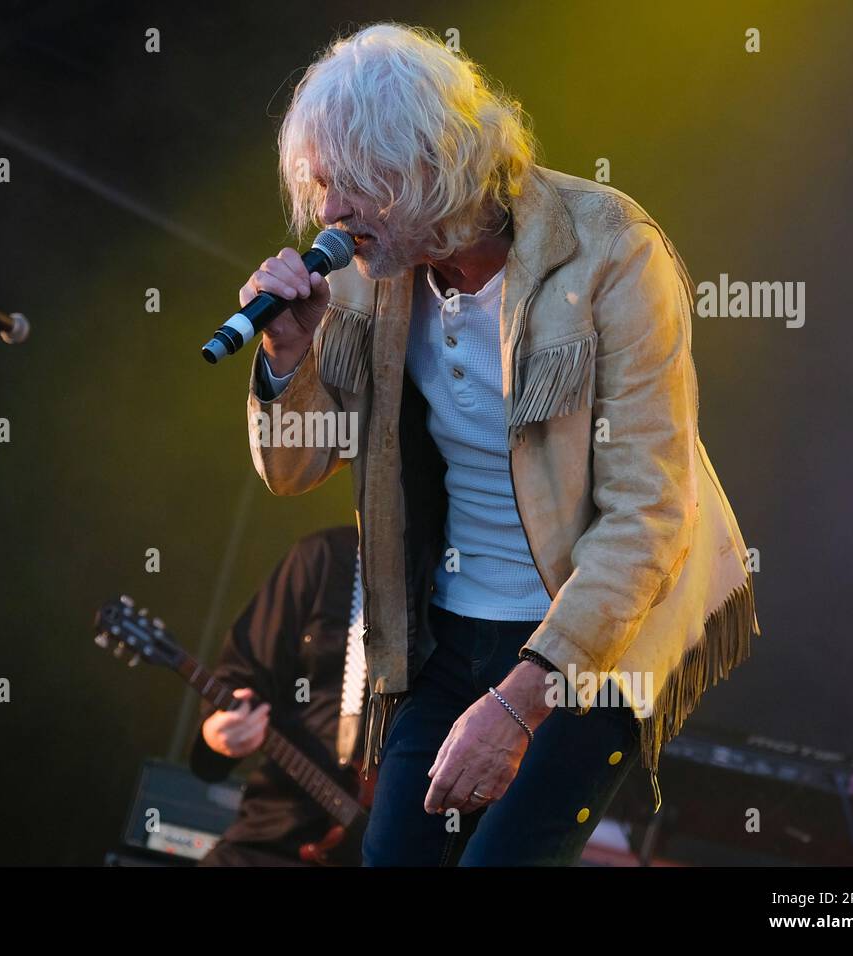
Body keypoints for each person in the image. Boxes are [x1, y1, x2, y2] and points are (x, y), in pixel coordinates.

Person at [239, 23, 759, 865]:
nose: (331, 212)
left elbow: (650, 515)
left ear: (433, 166)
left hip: (594, 636)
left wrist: (517, 705)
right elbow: (293, 469)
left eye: (357, 183)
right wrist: (285, 355)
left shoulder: (609, 251)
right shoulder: (364, 269)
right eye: (323, 184)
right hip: (448, 626)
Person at [190, 526, 367, 866]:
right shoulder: (325, 556)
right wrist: (217, 734)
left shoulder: (463, 581)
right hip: (281, 832)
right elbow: (240, 679)